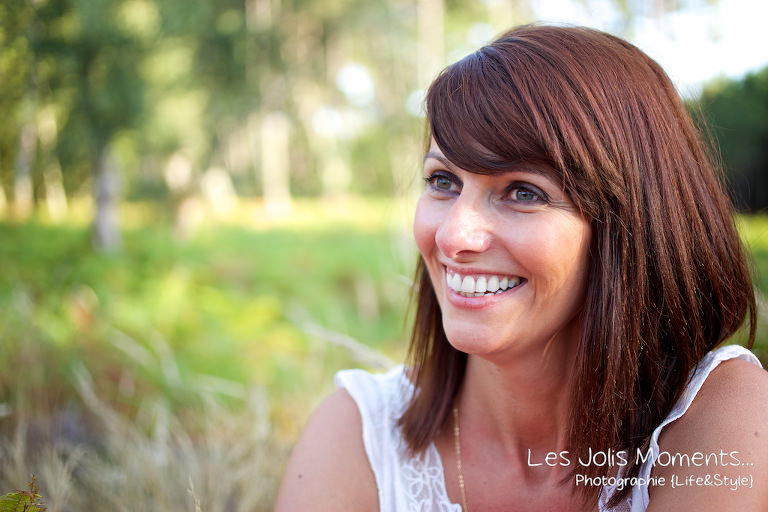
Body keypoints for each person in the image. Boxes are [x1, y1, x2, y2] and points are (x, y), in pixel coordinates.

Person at [275, 25, 768, 511]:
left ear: (632, 225)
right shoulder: (357, 436)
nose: (453, 236)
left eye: (524, 192)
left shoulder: (723, 418)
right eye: (443, 180)